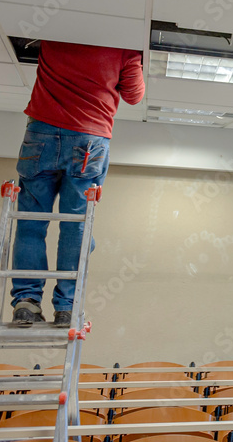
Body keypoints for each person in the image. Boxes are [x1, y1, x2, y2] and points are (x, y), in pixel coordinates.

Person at [10, 41, 144, 327]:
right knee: (75, 226)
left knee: (30, 223)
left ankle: (26, 302)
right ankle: (66, 307)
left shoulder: (56, 32)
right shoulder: (126, 43)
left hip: (41, 132)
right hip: (89, 137)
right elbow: (134, 96)